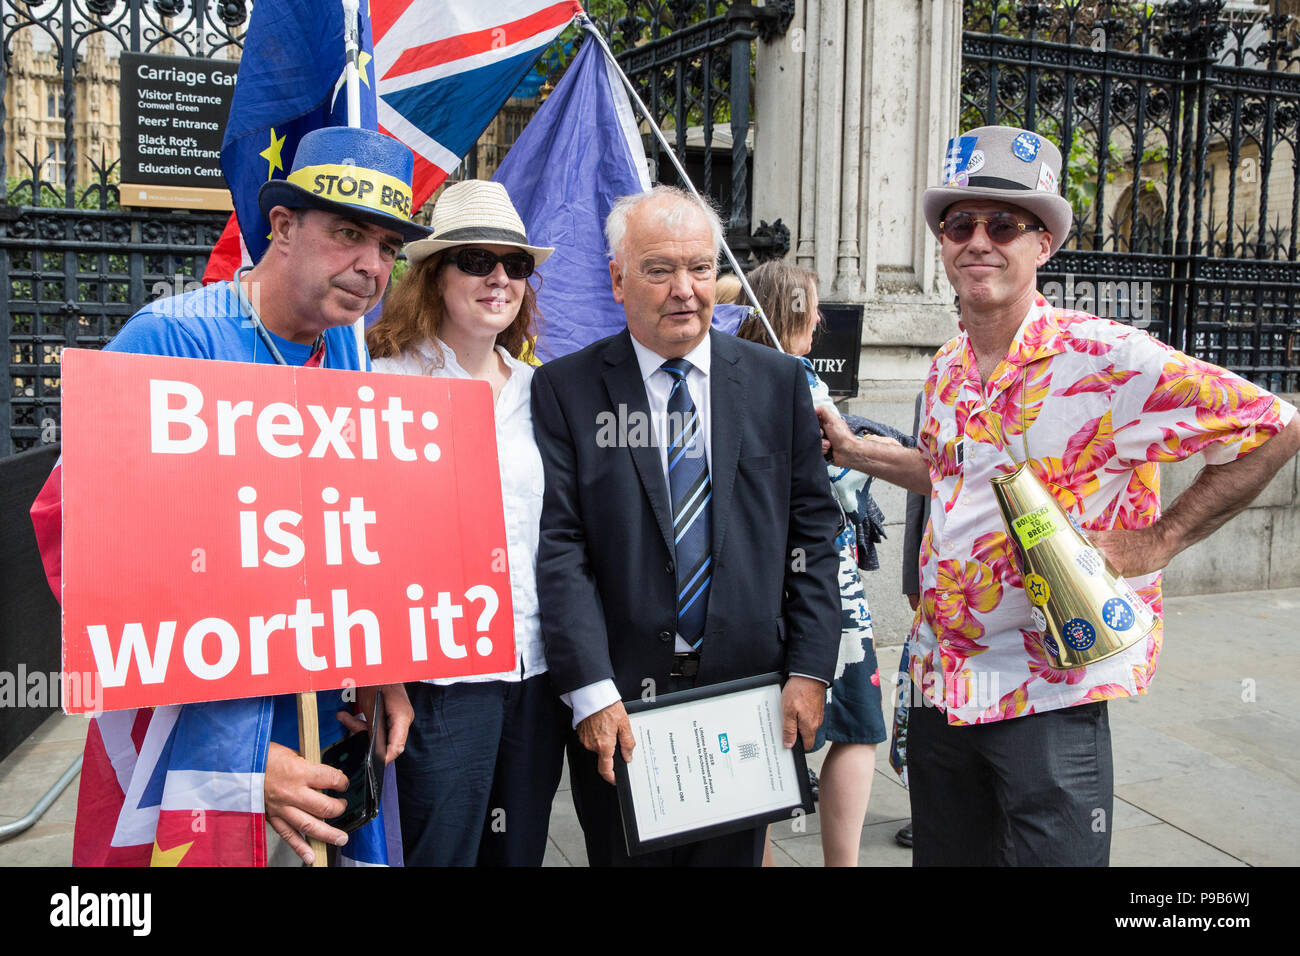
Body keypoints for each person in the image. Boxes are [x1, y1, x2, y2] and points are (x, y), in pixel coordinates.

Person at [817, 125, 1300, 866]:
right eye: (959, 224)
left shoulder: (1108, 359)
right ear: (942, 244)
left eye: (1004, 223)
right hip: (946, 681)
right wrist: (859, 453)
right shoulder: (949, 364)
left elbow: (1275, 426)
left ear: (1043, 244)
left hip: (1050, 689)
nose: (978, 240)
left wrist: (1159, 541)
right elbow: (952, 474)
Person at [30, 126, 425, 866]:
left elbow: (350, 529)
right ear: (281, 226)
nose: (372, 267)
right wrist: (239, 763)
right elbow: (75, 535)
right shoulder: (170, 338)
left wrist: (381, 662)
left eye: (389, 247)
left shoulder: (344, 346)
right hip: (201, 724)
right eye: (348, 234)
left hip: (319, 708)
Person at [531, 185, 842, 867]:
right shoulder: (565, 391)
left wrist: (812, 668)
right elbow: (562, 549)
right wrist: (590, 691)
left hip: (747, 703)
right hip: (620, 712)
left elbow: (814, 536)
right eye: (659, 269)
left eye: (700, 268)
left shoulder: (777, 383)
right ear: (617, 279)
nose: (685, 290)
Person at [367, 179, 570, 867]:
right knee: (439, 854)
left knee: (516, 856)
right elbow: (363, 534)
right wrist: (382, 671)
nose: (500, 279)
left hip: (537, 671)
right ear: (434, 274)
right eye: (477, 260)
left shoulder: (544, 395)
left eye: (516, 265)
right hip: (438, 677)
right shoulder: (385, 383)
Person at [736, 260, 887, 867]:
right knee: (854, 722)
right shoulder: (803, 383)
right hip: (826, 585)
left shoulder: (725, 376)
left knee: (763, 737)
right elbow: (839, 485)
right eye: (813, 307)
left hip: (751, 583)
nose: (822, 319)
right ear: (794, 313)